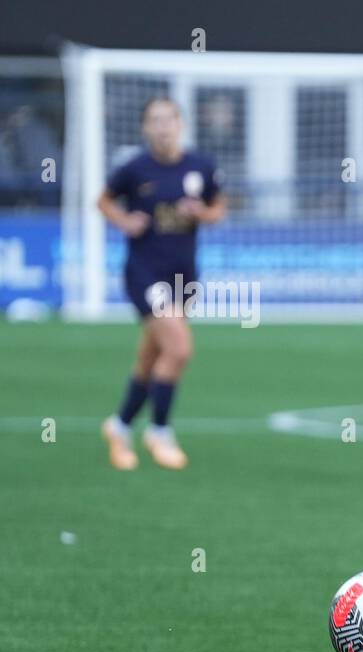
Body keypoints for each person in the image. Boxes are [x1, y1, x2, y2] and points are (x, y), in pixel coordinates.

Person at [99, 97, 226, 470]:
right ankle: (159, 431)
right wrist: (124, 221)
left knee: (151, 356)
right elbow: (103, 201)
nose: (162, 127)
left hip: (183, 275)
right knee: (180, 349)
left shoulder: (201, 167)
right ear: (145, 128)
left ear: (181, 124)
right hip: (145, 273)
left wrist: (202, 213)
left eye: (168, 119)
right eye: (154, 120)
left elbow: (219, 209)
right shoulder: (134, 170)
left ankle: (119, 425)